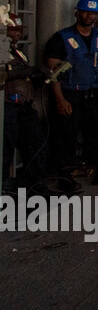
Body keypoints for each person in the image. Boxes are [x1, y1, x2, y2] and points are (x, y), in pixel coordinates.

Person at [43, 0, 98, 185]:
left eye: (93, 13)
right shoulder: (61, 38)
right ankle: (64, 176)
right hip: (71, 92)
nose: (89, 16)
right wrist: (60, 99)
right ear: (77, 13)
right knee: (66, 135)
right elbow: (53, 72)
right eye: (85, 12)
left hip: (94, 92)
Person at [3, 16, 57, 195]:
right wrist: (29, 71)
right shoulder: (4, 53)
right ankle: (5, 187)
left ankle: (35, 185)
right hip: (7, 105)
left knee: (35, 143)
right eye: (11, 31)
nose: (15, 35)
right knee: (5, 148)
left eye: (18, 31)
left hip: (23, 104)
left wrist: (39, 77)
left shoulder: (19, 53)